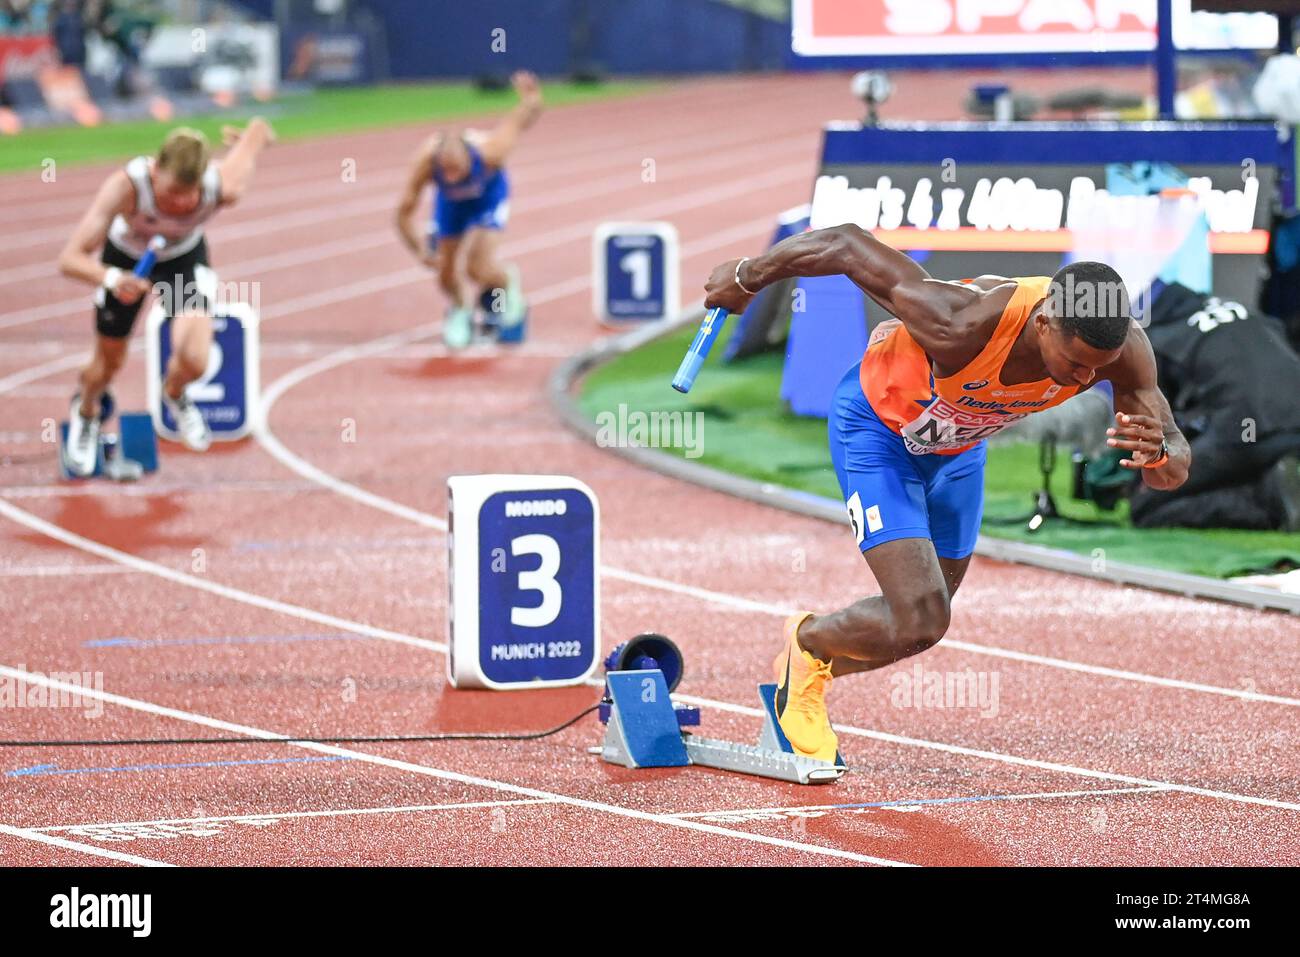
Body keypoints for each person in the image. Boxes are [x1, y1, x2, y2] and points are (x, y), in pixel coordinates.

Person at [704, 228, 1190, 762]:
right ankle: (810, 644)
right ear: (1045, 321)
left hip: (958, 450)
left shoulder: (1119, 352)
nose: (1087, 377)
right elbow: (844, 245)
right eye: (1076, 365)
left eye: (1099, 366)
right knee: (921, 614)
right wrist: (749, 274)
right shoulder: (960, 321)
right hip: (877, 432)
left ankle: (814, 661)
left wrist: (1161, 453)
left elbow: (1169, 474)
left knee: (921, 629)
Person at [56, 119, 275, 477]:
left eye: (186, 198)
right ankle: (87, 412)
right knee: (107, 364)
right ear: (155, 171)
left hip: (182, 259)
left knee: (196, 358)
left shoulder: (225, 186)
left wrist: (256, 137)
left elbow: (258, 133)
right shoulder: (126, 186)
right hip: (126, 259)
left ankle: (174, 392)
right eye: (169, 195)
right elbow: (70, 258)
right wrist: (113, 279)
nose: (176, 205)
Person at [395, 70, 542, 349]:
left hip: (488, 197)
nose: (450, 178)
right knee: (446, 272)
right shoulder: (426, 163)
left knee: (479, 266)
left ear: (467, 159)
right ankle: (461, 310)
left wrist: (531, 98)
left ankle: (506, 282)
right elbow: (402, 213)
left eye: (457, 171)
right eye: (445, 173)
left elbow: (518, 121)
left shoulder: (491, 152)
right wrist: (419, 250)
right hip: (451, 205)